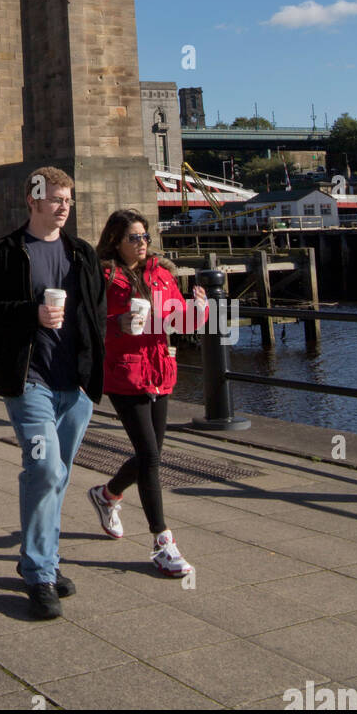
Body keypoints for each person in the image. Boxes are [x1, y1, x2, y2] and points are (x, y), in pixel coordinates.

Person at [0, 166, 105, 621]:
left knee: (59, 475)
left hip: (76, 387)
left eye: (68, 199)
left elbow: (97, 313)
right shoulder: (4, 254)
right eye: (55, 199)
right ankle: (40, 574)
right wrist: (32, 314)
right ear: (32, 200)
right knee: (44, 469)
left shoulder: (81, 253)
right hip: (29, 381)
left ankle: (40, 558)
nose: (64, 207)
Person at [88, 209, 207, 578]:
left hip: (160, 372)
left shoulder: (161, 273)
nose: (141, 244)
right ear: (115, 242)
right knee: (151, 458)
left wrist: (200, 310)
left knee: (150, 455)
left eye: (144, 237)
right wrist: (115, 323)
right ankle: (162, 543)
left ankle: (107, 494)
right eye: (133, 238)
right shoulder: (104, 276)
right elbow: (86, 323)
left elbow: (178, 319)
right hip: (125, 374)